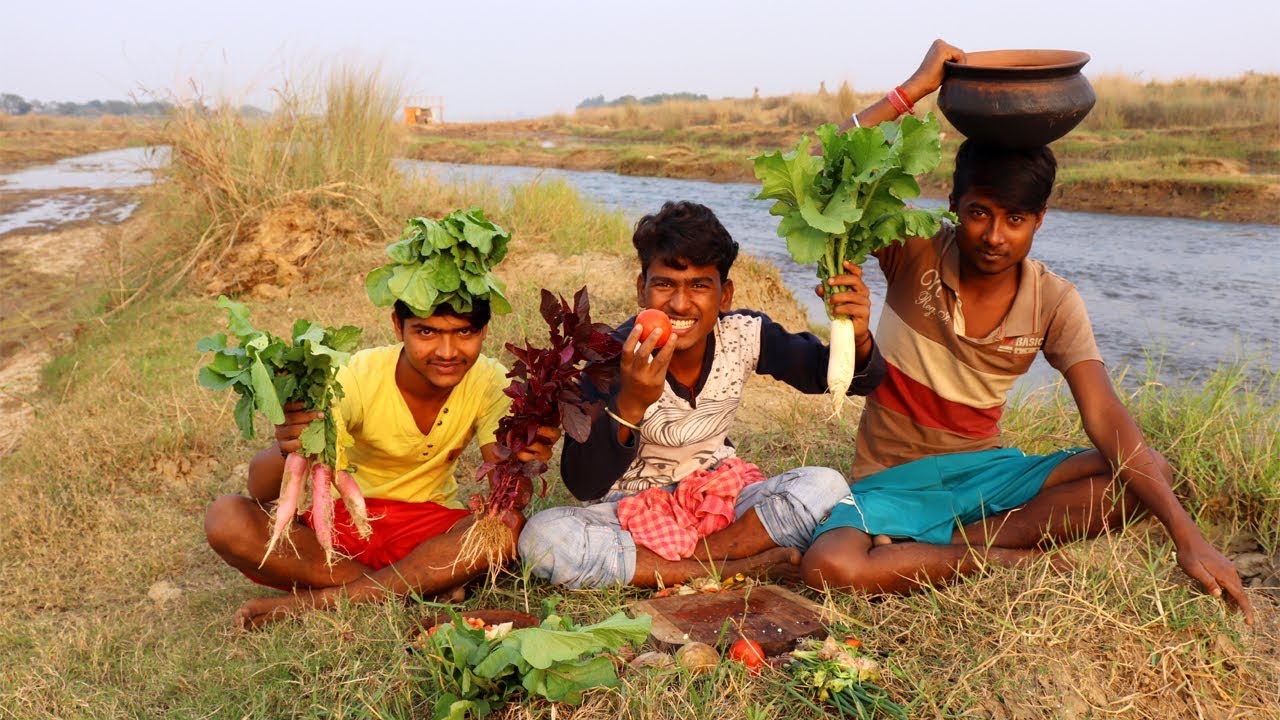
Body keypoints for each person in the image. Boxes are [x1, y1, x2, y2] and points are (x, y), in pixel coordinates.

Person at [800, 40, 1255, 624]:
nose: (994, 235)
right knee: (829, 567)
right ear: (955, 206)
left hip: (989, 475)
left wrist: (1186, 536)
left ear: (1039, 220)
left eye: (1015, 219)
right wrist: (913, 88)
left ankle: (950, 548)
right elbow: (817, 173)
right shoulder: (912, 250)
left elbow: (1105, 415)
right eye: (979, 212)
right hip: (891, 482)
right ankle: (998, 559)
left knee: (1149, 478)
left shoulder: (1053, 301)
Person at [517, 200, 886, 589]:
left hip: (719, 498)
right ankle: (735, 567)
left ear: (724, 295)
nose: (679, 303)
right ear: (641, 289)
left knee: (825, 485)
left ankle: (678, 565)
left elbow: (838, 377)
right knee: (545, 539)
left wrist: (856, 334)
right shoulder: (611, 355)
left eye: (698, 285)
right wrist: (632, 402)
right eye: (664, 284)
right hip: (629, 513)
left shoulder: (745, 334)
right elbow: (583, 484)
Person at [204, 298, 560, 629]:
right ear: (397, 326)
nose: (447, 352)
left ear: (483, 330)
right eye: (426, 332)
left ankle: (321, 601)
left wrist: (522, 458)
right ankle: (417, 587)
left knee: (507, 527)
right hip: (337, 533)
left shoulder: (490, 381)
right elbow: (259, 490)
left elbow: (508, 488)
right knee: (226, 518)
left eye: (464, 332)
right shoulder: (356, 376)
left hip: (430, 534)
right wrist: (288, 448)